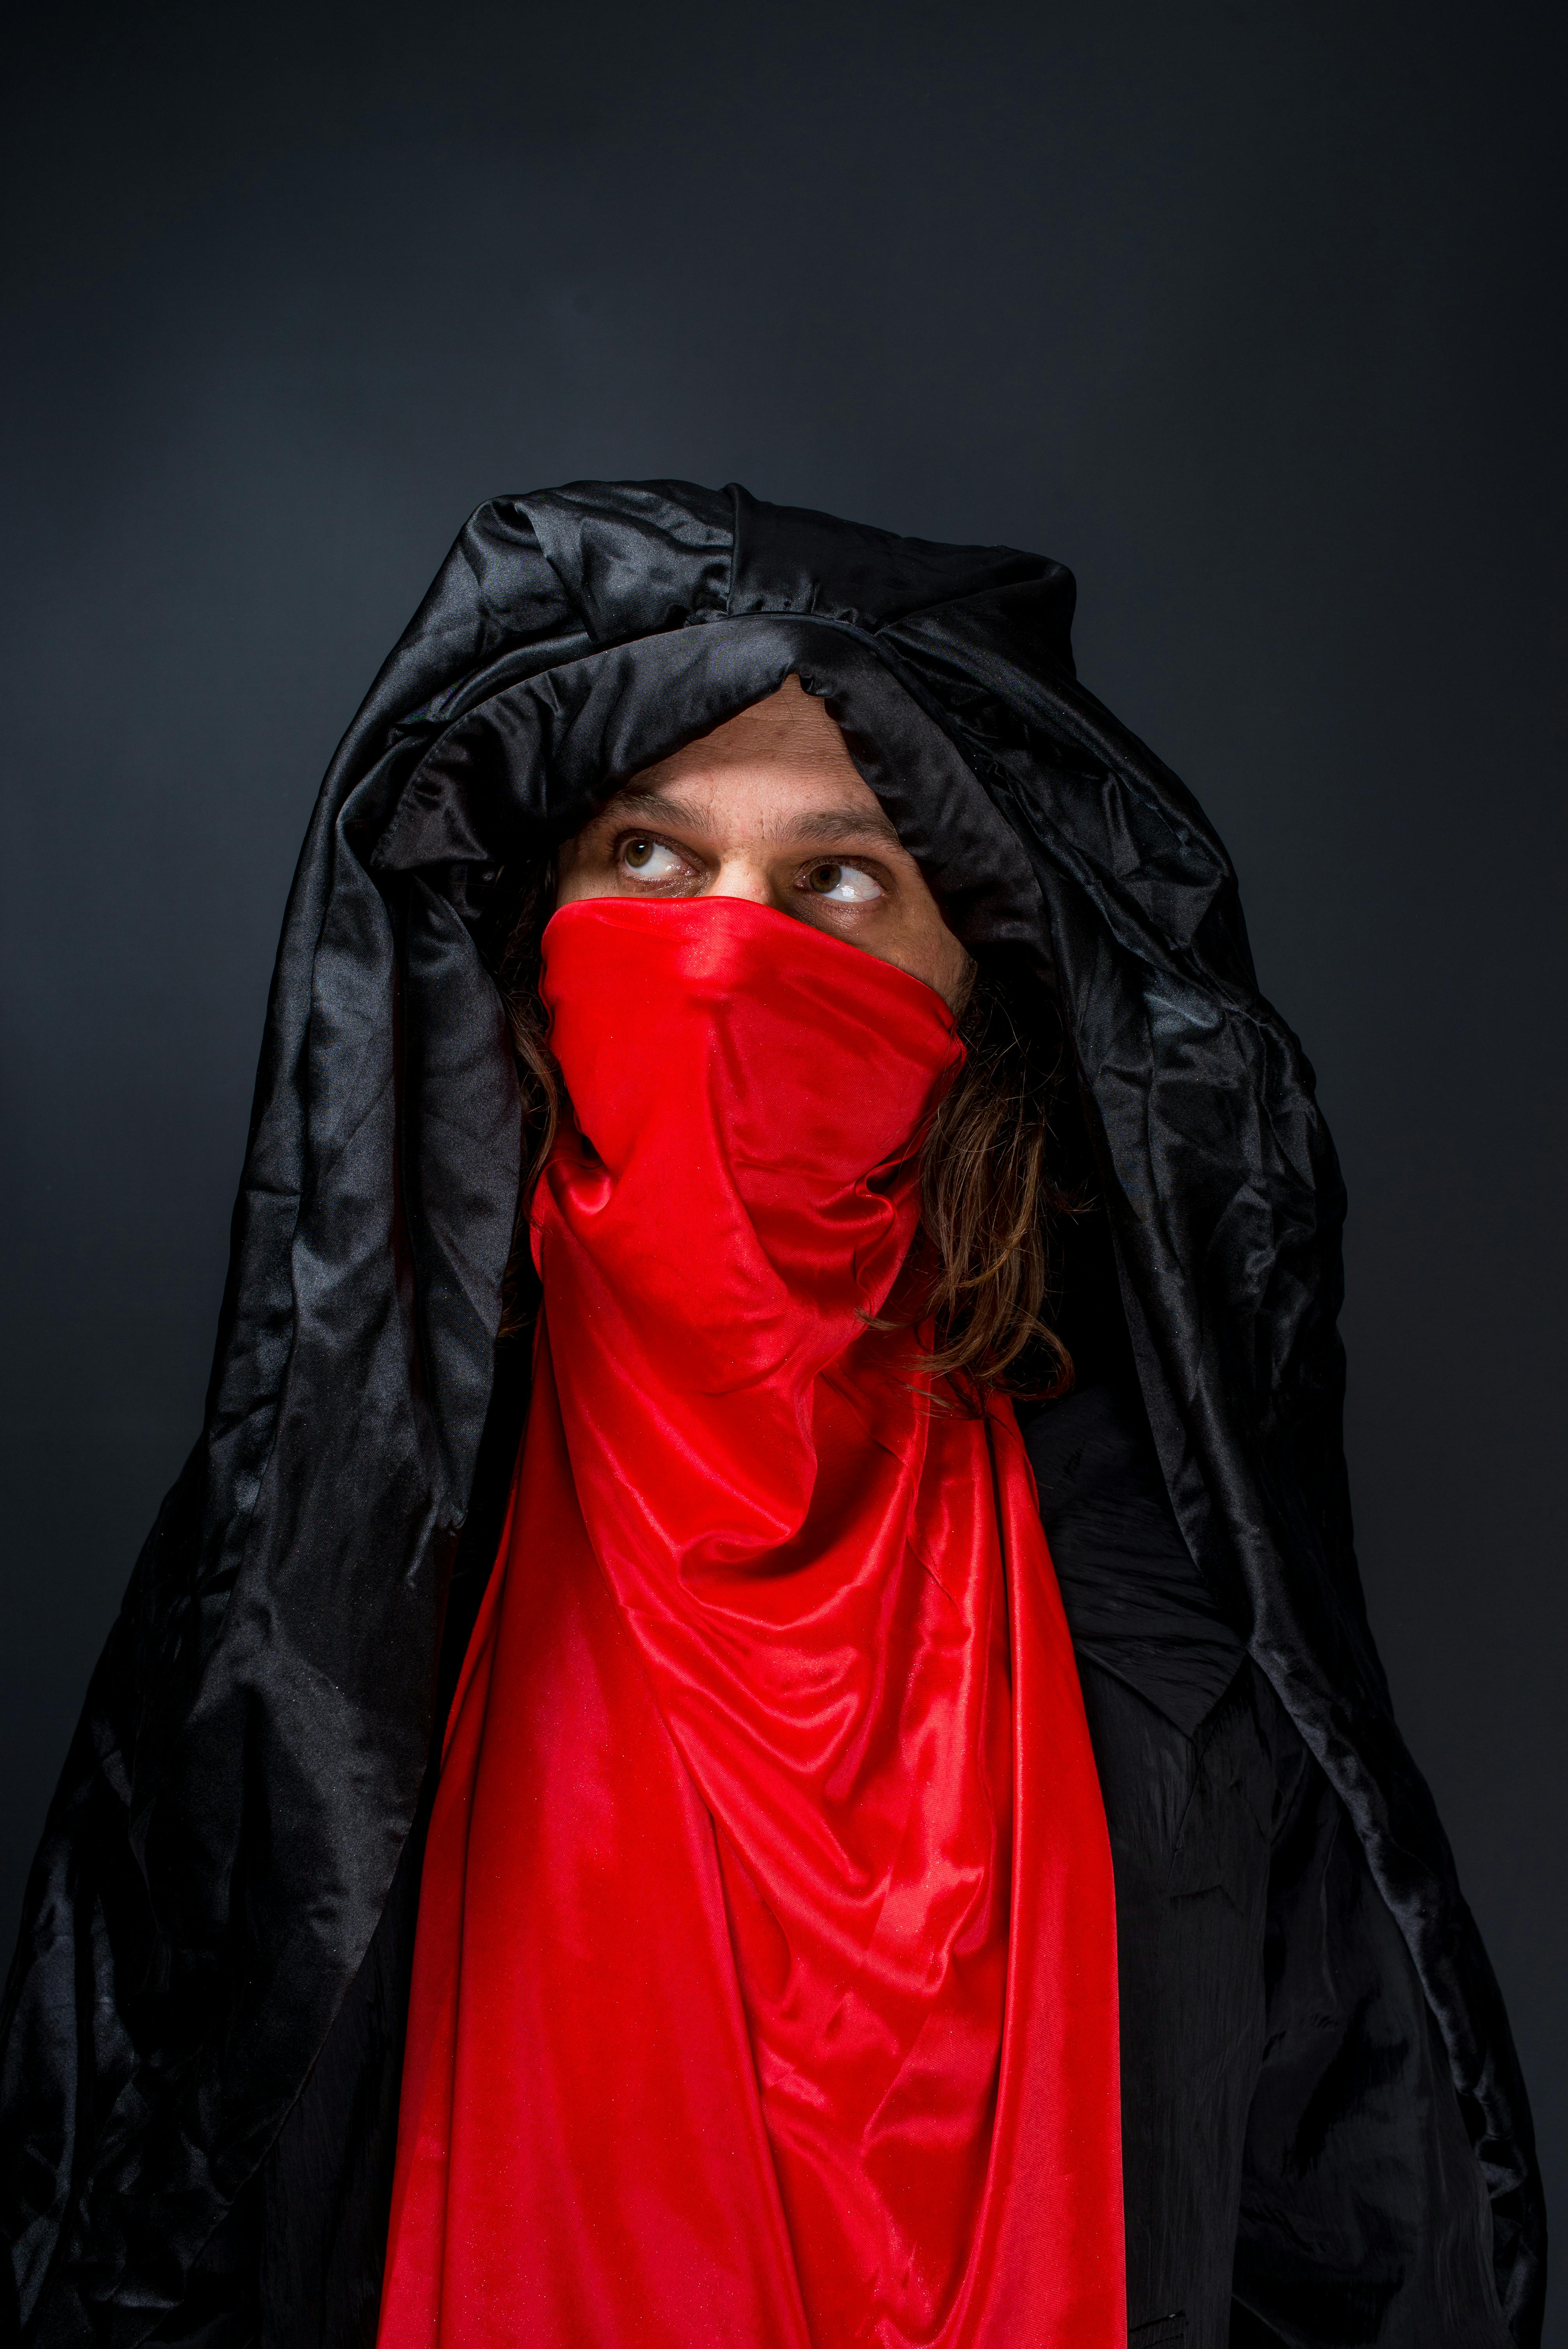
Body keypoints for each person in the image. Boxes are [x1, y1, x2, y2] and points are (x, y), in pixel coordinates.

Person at [0, 482, 1543, 2349]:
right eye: (648, 857)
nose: (725, 956)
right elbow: (152, 2216)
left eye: (836, 882)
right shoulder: (326, 1591)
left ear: (977, 976)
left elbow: (1334, 2238)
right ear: (529, 935)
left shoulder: (1171, 1599)